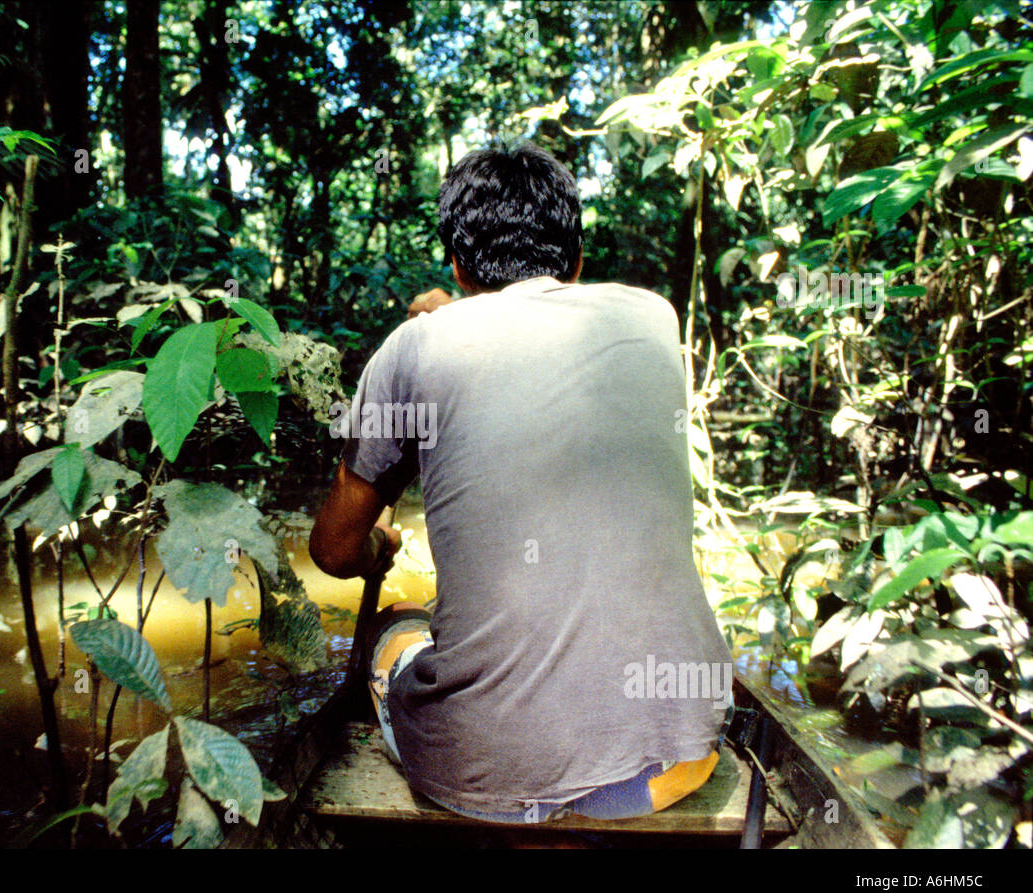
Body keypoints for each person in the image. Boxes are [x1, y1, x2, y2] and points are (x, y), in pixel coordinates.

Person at [309, 139, 734, 825]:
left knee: (397, 629)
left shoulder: (413, 348)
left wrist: (378, 550)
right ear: (575, 260)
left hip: (484, 771)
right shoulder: (654, 319)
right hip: (678, 758)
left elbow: (332, 549)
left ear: (455, 260)